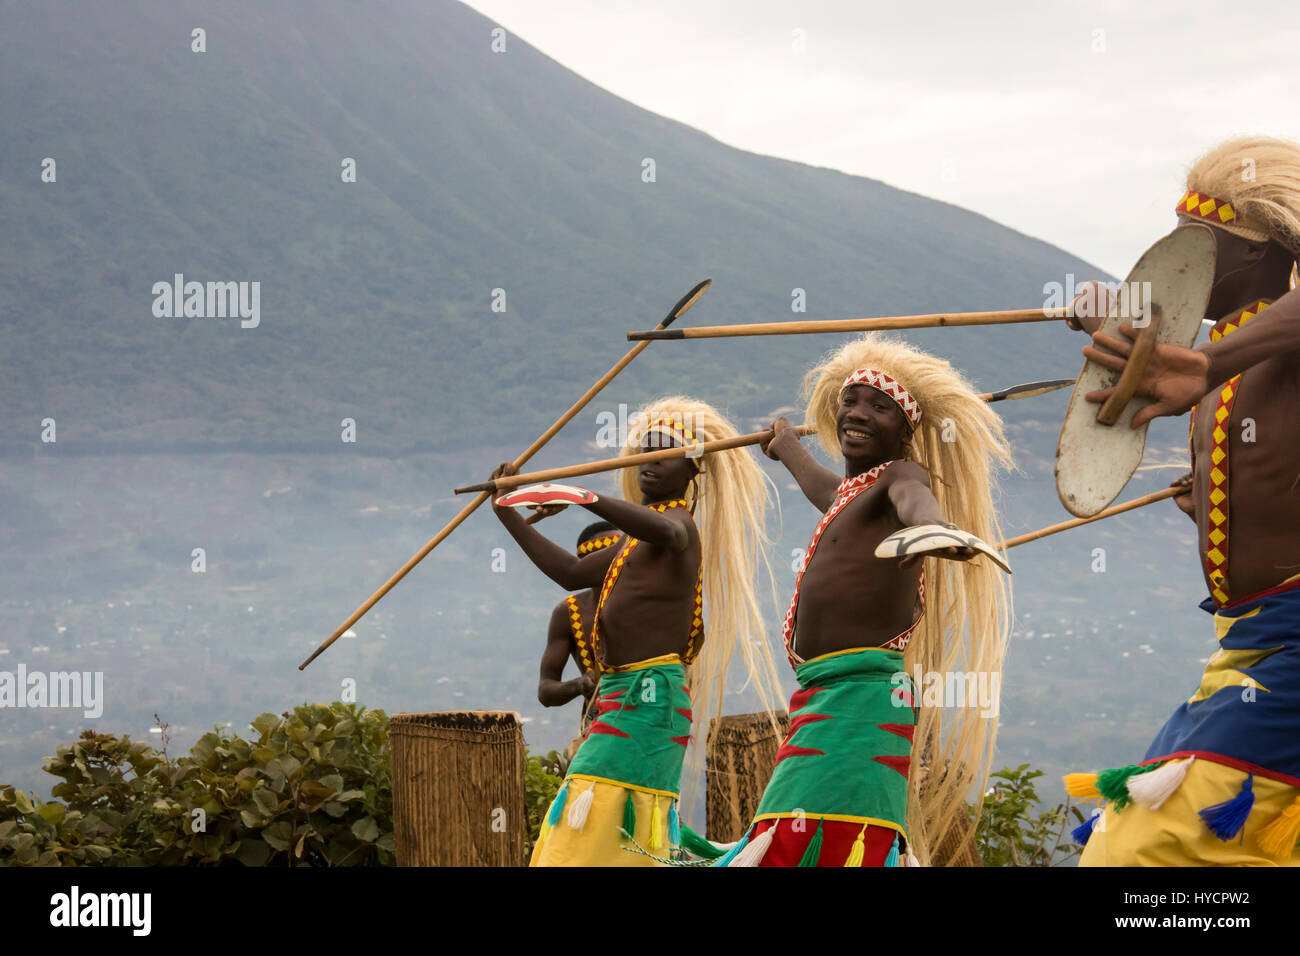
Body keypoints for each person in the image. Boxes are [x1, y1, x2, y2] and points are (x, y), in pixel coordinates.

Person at [1063, 136, 1300, 865]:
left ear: (1264, 254)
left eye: (1205, 243)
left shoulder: (1261, 348)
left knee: (1139, 848)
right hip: (1248, 642)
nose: (1182, 258)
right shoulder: (1222, 353)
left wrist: (1202, 361)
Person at [714, 334, 1013, 867]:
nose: (858, 412)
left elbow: (917, 503)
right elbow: (819, 484)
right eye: (850, 401)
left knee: (811, 837)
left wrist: (935, 530)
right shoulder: (849, 495)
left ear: (906, 430)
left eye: (880, 406)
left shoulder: (901, 477)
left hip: (864, 696)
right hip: (823, 693)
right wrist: (785, 443)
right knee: (802, 832)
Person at [492, 397, 784, 866]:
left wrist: (581, 496)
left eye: (664, 454)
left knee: (602, 804)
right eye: (644, 452)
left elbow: (664, 533)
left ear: (693, 468)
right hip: (624, 693)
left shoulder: (677, 527)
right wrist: (505, 508)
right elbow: (569, 571)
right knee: (595, 810)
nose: (649, 462)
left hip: (650, 697)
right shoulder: (631, 544)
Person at [536, 522, 622, 745]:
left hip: (652, 720)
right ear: (588, 565)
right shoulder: (568, 613)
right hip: (598, 726)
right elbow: (546, 691)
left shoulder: (648, 602)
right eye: (607, 558)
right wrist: (579, 685)